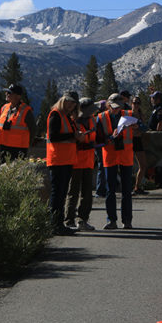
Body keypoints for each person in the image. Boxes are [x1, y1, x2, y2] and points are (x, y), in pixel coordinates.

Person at [96, 93, 135, 229]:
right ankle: (111, 220)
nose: (116, 109)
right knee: (110, 190)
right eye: (113, 107)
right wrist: (111, 138)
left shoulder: (129, 114)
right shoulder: (101, 118)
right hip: (110, 156)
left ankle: (127, 220)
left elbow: (143, 128)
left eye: (118, 107)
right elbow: (98, 140)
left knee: (126, 191)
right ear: (108, 105)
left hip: (126, 156)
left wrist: (136, 126)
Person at [46, 91, 81, 235]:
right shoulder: (56, 114)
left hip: (66, 160)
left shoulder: (67, 117)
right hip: (57, 159)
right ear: (63, 100)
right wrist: (73, 135)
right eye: (69, 101)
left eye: (74, 103)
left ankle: (58, 224)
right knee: (57, 193)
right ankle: (54, 224)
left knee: (61, 194)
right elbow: (54, 137)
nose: (71, 105)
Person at [65, 98, 97, 230]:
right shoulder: (72, 122)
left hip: (88, 160)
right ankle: (69, 220)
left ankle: (82, 219)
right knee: (73, 191)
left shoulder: (92, 120)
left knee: (87, 193)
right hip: (76, 161)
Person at [0, 84, 36, 161]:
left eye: (10, 93)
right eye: (7, 92)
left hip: (18, 149)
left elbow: (33, 129)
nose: (7, 94)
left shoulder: (26, 110)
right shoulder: (4, 107)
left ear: (18, 96)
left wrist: (28, 145)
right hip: (3, 147)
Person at [130, 96, 149, 195]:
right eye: (134, 103)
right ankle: (128, 186)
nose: (136, 105)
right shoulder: (128, 114)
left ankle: (137, 186)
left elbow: (145, 127)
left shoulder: (141, 115)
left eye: (138, 103)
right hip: (129, 140)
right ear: (131, 104)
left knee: (143, 164)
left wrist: (139, 127)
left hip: (138, 140)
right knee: (127, 165)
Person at [94, 100, 108, 197]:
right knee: (102, 167)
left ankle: (101, 189)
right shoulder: (102, 118)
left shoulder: (96, 118)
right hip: (101, 145)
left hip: (98, 145)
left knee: (101, 167)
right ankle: (100, 190)